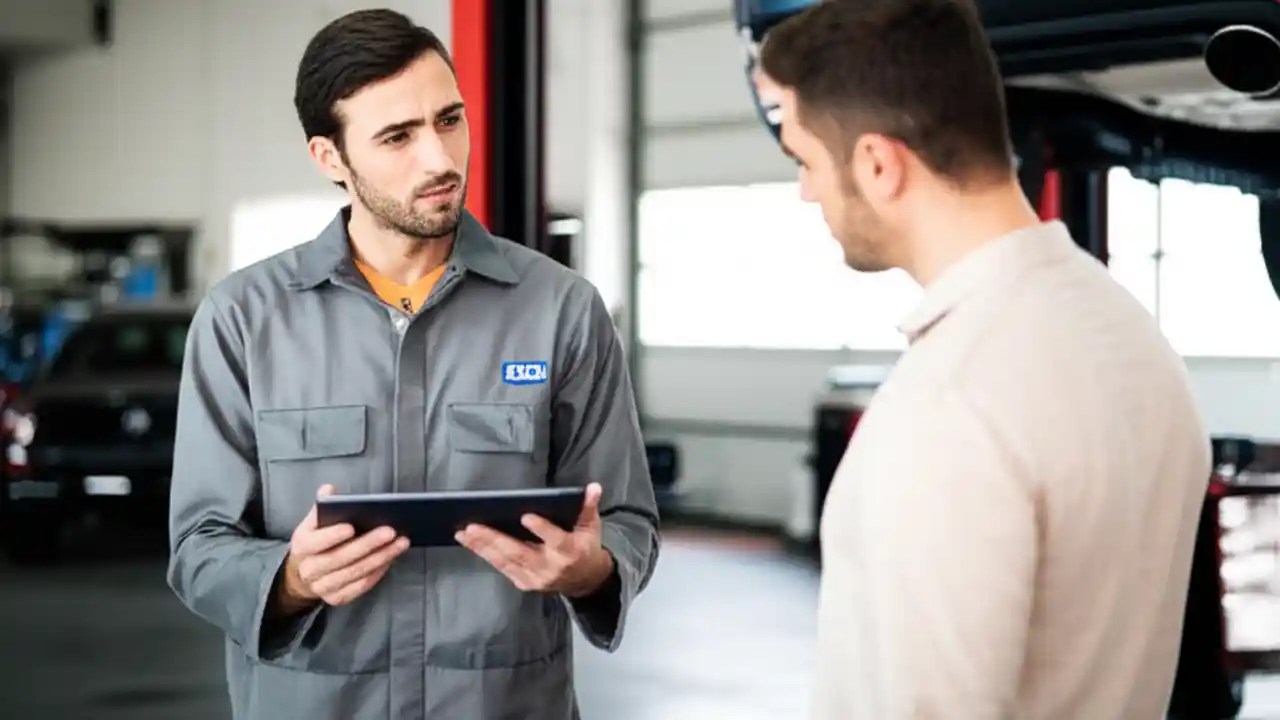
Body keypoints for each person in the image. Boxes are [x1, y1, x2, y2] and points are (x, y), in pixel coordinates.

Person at [165, 9, 660, 719]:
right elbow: (198, 547)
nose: (440, 158)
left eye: (449, 119)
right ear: (330, 159)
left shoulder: (562, 311)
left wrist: (592, 567)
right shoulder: (244, 321)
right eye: (398, 137)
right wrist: (292, 578)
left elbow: (627, 518)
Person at [755, 1, 1210, 718]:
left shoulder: (951, 404)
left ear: (878, 164)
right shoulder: (1134, 341)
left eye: (806, 160)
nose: (806, 190)